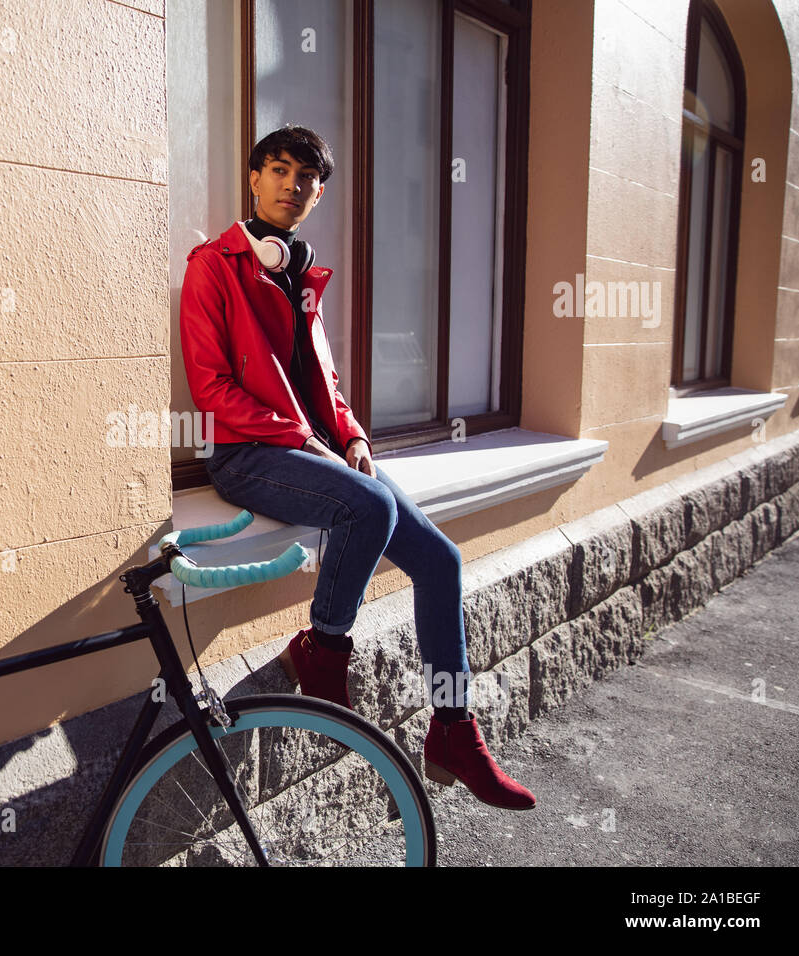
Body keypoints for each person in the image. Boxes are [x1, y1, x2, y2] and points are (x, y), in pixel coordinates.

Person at [179, 125, 535, 811]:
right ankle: (323, 647)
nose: (292, 185)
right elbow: (211, 389)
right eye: (278, 170)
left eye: (307, 177)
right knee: (368, 508)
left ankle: (454, 728)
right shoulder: (211, 267)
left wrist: (350, 437)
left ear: (318, 193)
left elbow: (324, 381)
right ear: (253, 179)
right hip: (247, 454)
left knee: (442, 562)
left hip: (315, 454)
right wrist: (303, 440)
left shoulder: (301, 270)